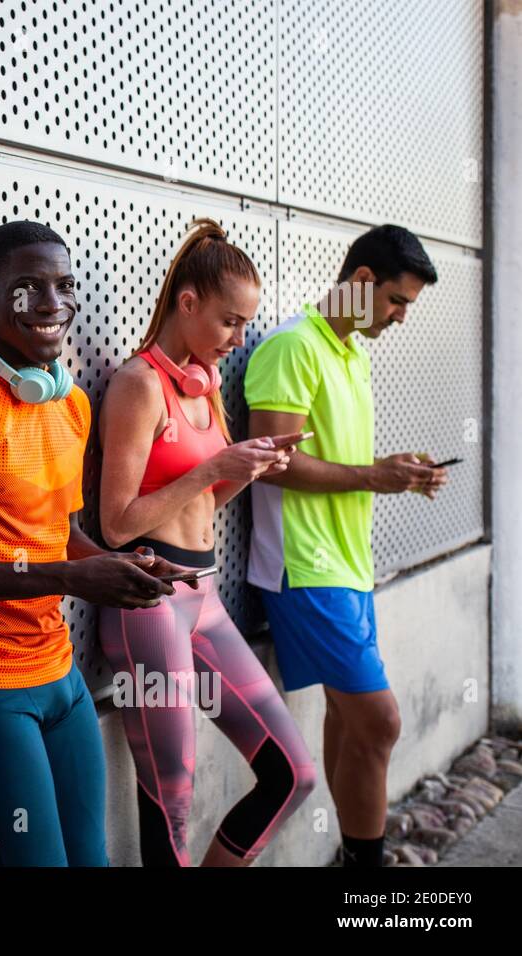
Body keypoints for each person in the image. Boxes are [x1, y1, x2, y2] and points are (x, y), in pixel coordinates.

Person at [0, 220, 191, 867]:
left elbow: (61, 534)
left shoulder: (72, 403)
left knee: (93, 862)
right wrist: (72, 579)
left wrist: (113, 563)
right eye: (27, 288)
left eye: (63, 285)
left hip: (59, 673)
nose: (51, 303)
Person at [95, 218, 317, 866]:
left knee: (292, 774)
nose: (238, 340)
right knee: (174, 800)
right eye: (229, 322)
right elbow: (115, 525)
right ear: (186, 303)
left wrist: (242, 472)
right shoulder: (139, 384)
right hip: (149, 602)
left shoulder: (206, 385)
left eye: (246, 324)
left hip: (205, 595)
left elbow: (202, 502)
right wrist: (214, 468)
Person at [243, 223, 445, 867]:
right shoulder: (291, 346)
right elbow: (269, 463)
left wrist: (392, 469)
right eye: (398, 301)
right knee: (380, 720)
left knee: (352, 717)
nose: (402, 317)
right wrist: (372, 476)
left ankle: (355, 862)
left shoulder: (350, 349)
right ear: (362, 283)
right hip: (306, 568)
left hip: (346, 565)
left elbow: (336, 459)